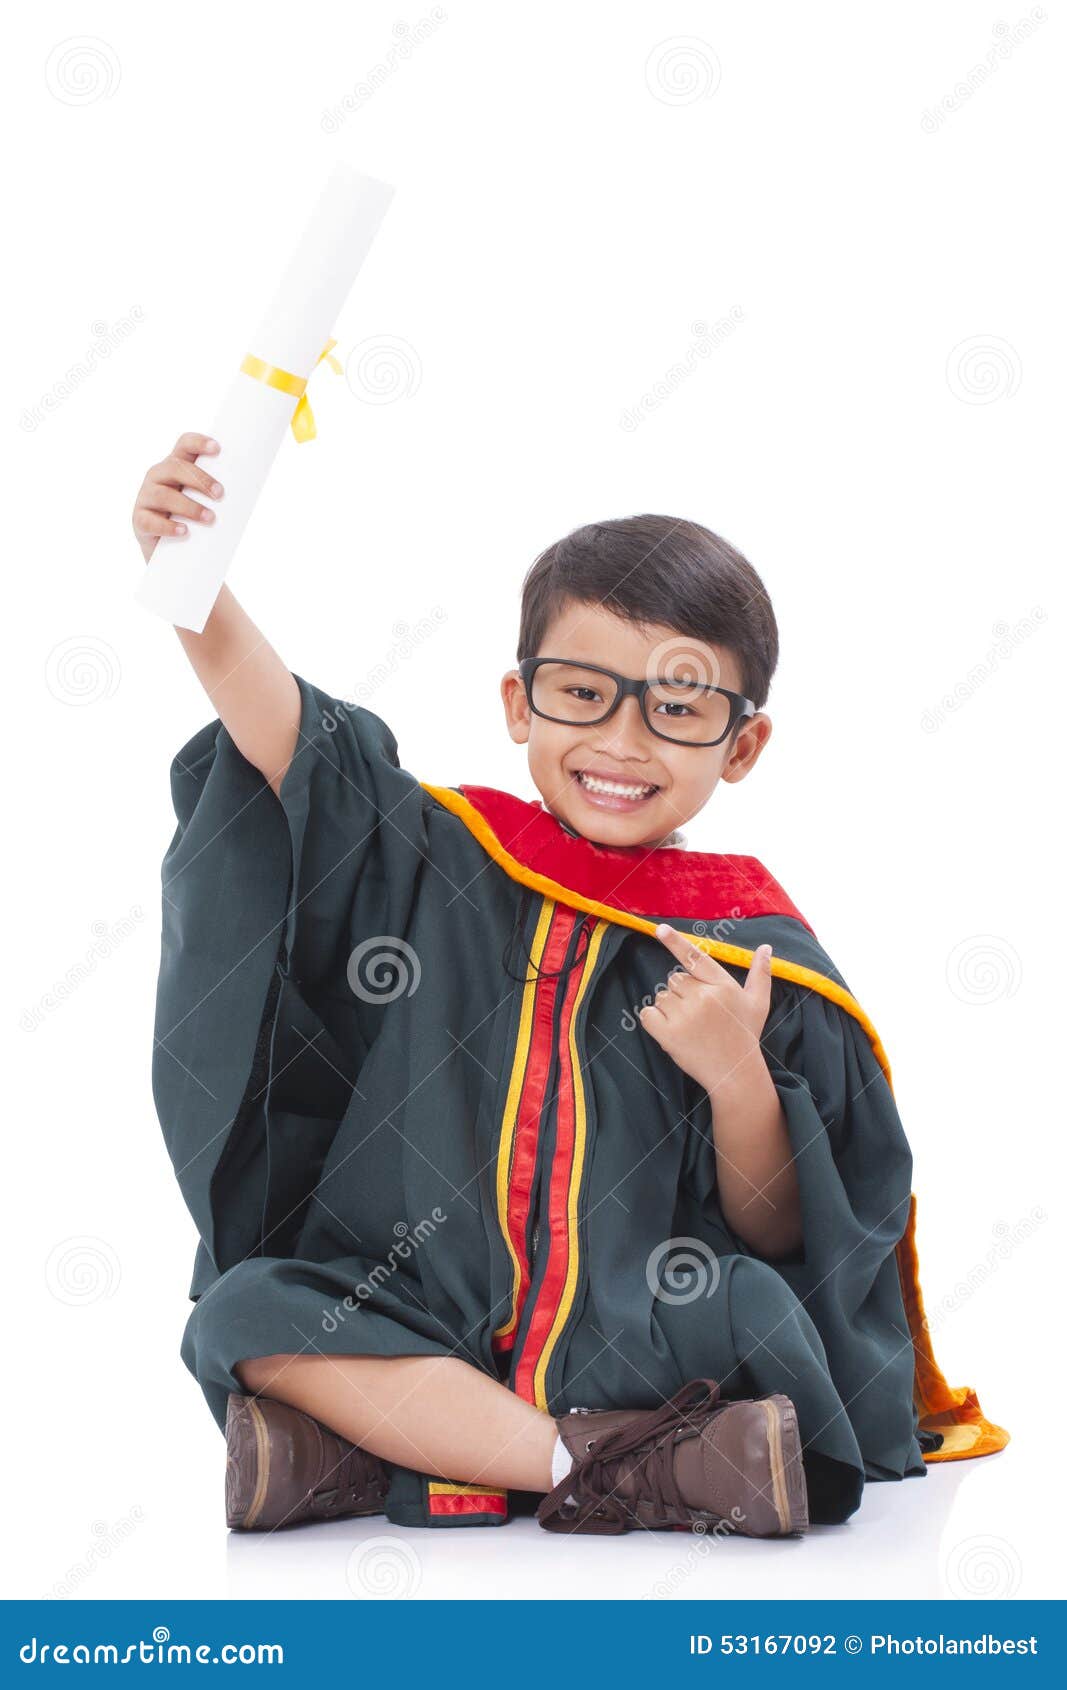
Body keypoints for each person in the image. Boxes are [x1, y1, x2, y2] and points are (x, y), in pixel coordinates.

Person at [132, 432, 1006, 1537]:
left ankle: (383, 1450)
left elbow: (784, 1226)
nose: (622, 740)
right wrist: (192, 587)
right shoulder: (443, 857)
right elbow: (291, 744)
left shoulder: (741, 941)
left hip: (648, 1323)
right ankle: (615, 1464)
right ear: (517, 702)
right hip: (423, 1300)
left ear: (741, 746)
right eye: (581, 692)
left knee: (758, 1324)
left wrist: (736, 1074)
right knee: (253, 1311)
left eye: (678, 708)